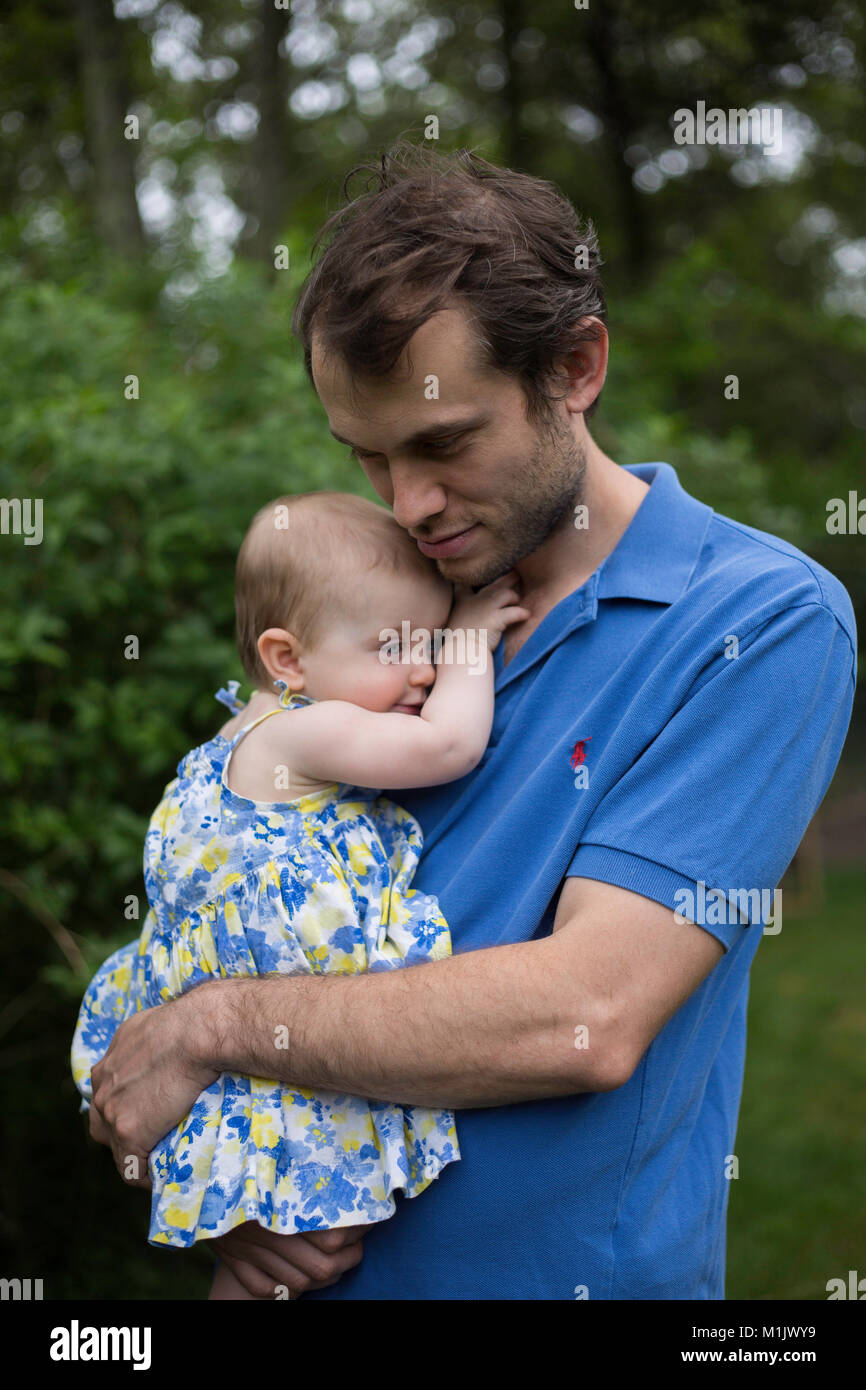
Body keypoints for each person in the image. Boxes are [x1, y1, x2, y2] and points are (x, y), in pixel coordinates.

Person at [88, 144, 856, 1300]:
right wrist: (227, 1189)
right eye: (368, 456)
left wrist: (217, 1028)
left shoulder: (754, 621)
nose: (408, 506)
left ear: (576, 366)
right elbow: (221, 908)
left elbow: (583, 1016)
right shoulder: (386, 610)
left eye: (444, 444)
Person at [72, 487, 526, 1299]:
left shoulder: (233, 735)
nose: (421, 667)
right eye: (395, 646)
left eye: (428, 643)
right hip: (274, 1075)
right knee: (292, 1257)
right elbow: (449, 745)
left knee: (269, 1271)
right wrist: (468, 644)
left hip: (246, 1063)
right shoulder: (302, 732)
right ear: (289, 661)